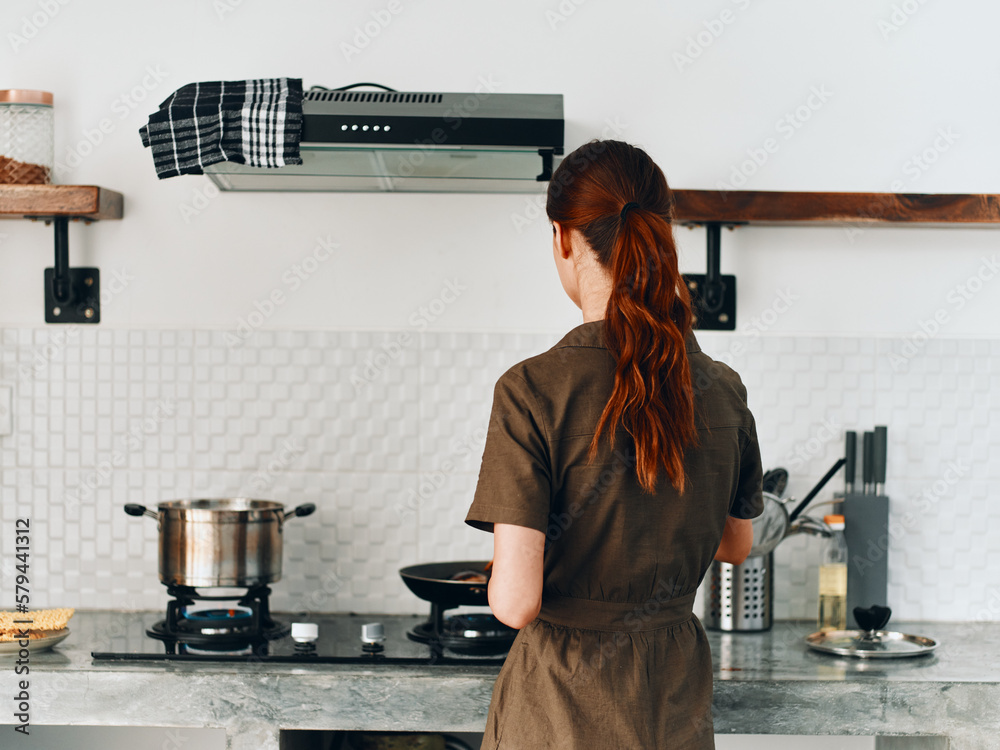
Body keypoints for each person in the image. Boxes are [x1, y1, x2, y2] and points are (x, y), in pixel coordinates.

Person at [465, 139, 764, 749]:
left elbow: (517, 603)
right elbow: (736, 545)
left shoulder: (531, 390)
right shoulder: (722, 387)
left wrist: (506, 570)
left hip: (562, 703)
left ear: (564, 239)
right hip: (672, 698)